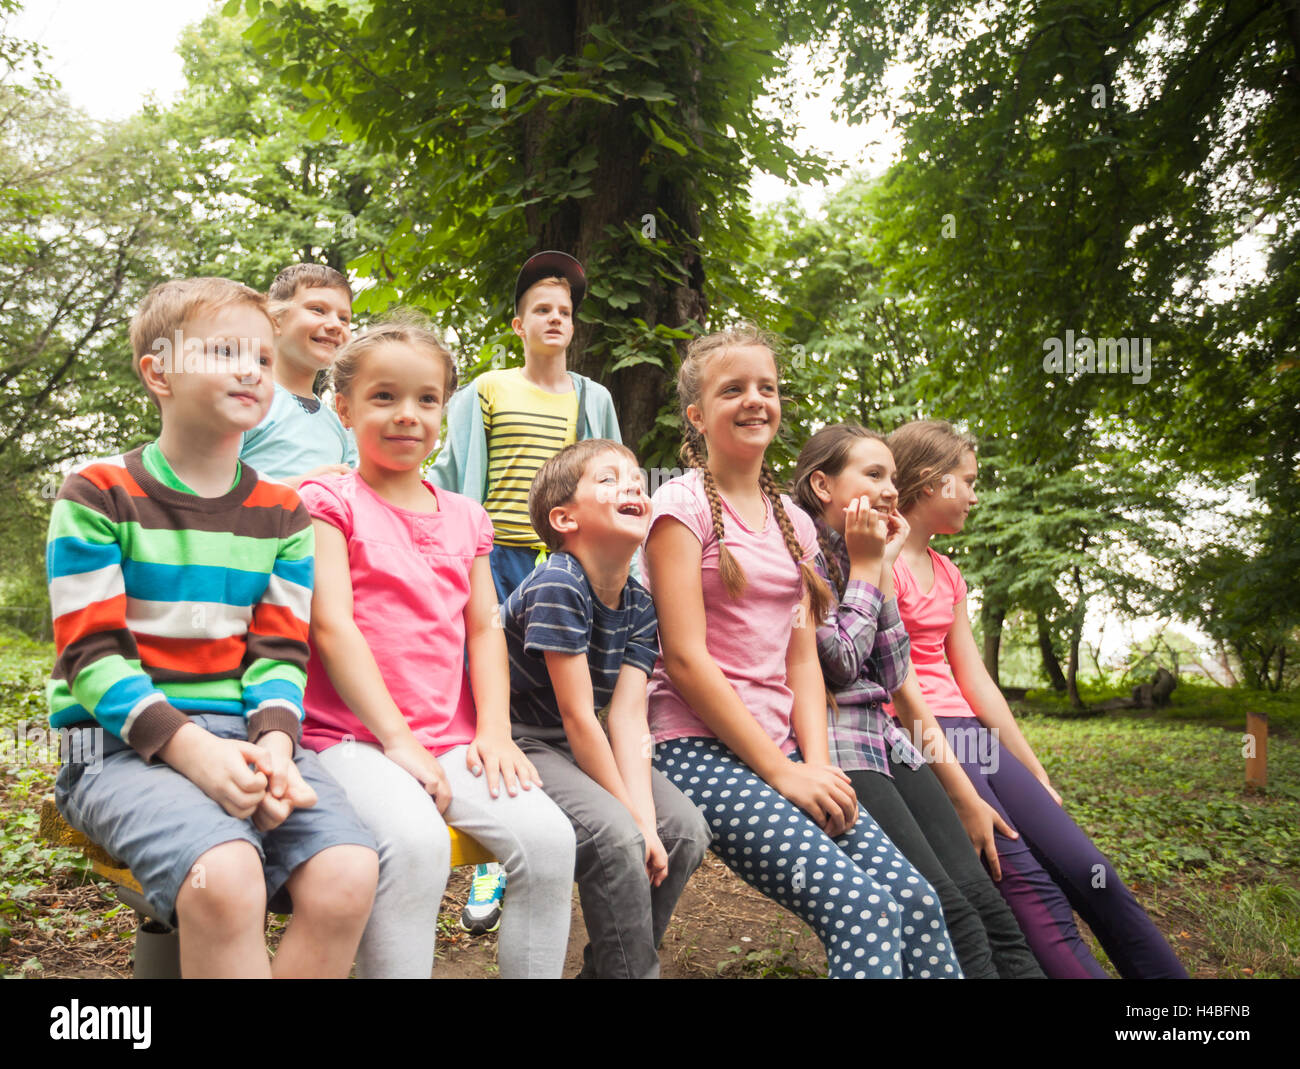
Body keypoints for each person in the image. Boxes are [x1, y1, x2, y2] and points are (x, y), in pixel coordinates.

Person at [47, 277, 378, 978]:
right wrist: (194, 751)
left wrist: (279, 746)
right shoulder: (97, 493)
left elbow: (279, 650)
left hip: (247, 740)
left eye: (260, 358)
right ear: (157, 371)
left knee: (348, 872)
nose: (250, 369)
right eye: (225, 350)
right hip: (115, 746)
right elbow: (90, 652)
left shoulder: (284, 514)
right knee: (225, 878)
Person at [642, 324, 962, 979]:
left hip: (785, 748)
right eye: (733, 389)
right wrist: (782, 771)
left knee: (919, 903)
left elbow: (802, 660)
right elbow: (684, 658)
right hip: (696, 746)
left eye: (768, 386)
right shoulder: (679, 507)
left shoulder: (792, 523)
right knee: (863, 910)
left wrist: (814, 762)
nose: (756, 399)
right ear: (698, 414)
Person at [299, 316, 575, 978]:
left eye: (426, 399)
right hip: (352, 737)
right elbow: (332, 622)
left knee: (550, 840)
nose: (407, 415)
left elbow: (484, 626)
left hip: (450, 739)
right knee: (416, 843)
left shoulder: (465, 516)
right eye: (384, 396)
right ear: (344, 406)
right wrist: (396, 740)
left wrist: (497, 731)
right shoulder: (328, 500)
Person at [886, 417, 1189, 978]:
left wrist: (1034, 771)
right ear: (930, 482)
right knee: (1028, 886)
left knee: (1091, 869)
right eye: (968, 481)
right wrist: (960, 793)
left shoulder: (948, 574)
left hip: (971, 734)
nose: (975, 496)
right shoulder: (877, 561)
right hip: (916, 738)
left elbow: (976, 681)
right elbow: (898, 688)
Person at [792, 423, 1043, 978]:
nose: (889, 489)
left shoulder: (872, 553)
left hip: (890, 742)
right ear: (822, 485)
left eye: (894, 477)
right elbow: (838, 662)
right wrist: (869, 567)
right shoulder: (799, 554)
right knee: (955, 914)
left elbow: (893, 671)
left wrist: (877, 563)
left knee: (991, 908)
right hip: (841, 745)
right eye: (874, 475)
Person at [430, 250, 622, 927]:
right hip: (495, 559)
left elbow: (612, 478)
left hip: (558, 566)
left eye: (565, 311)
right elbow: (453, 478)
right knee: (494, 700)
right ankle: (490, 858)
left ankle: (572, 833)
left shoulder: (593, 398)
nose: (555, 318)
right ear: (518, 323)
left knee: (564, 705)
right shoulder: (483, 390)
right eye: (542, 308)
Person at [503, 439, 710, 978]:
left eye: (637, 480)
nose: (633, 487)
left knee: (681, 829)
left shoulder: (641, 603)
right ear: (564, 518)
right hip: (521, 739)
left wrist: (646, 816)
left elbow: (626, 717)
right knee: (616, 835)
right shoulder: (557, 582)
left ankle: (612, 969)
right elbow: (577, 715)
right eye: (609, 479)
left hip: (574, 741)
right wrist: (633, 821)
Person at [240, 263, 358, 487]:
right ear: (275, 320)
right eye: (317, 310)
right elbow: (211, 481)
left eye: (344, 318)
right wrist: (301, 485)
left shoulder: (340, 426)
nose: (335, 325)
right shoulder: (244, 398)